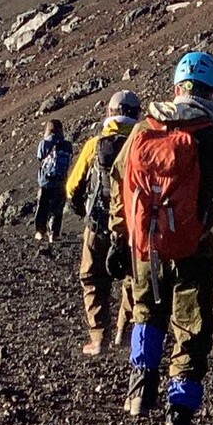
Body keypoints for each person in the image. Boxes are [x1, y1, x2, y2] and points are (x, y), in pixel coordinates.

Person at [107, 51, 213, 425]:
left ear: (176, 88)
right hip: (194, 249)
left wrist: (118, 236)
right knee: (191, 328)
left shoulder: (141, 132)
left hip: (145, 247)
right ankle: (179, 414)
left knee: (146, 312)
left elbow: (118, 182)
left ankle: (140, 390)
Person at [65, 90, 142, 354]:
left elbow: (72, 187)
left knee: (93, 278)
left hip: (98, 223)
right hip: (134, 227)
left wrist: (81, 211)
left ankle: (99, 339)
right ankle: (125, 333)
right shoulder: (142, 143)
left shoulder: (94, 145)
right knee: (132, 280)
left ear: (110, 113)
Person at [34, 118, 74, 243]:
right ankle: (54, 234)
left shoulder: (44, 143)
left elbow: (40, 157)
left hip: (45, 181)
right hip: (61, 181)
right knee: (57, 208)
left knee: (43, 206)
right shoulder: (67, 144)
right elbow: (70, 160)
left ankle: (40, 232)